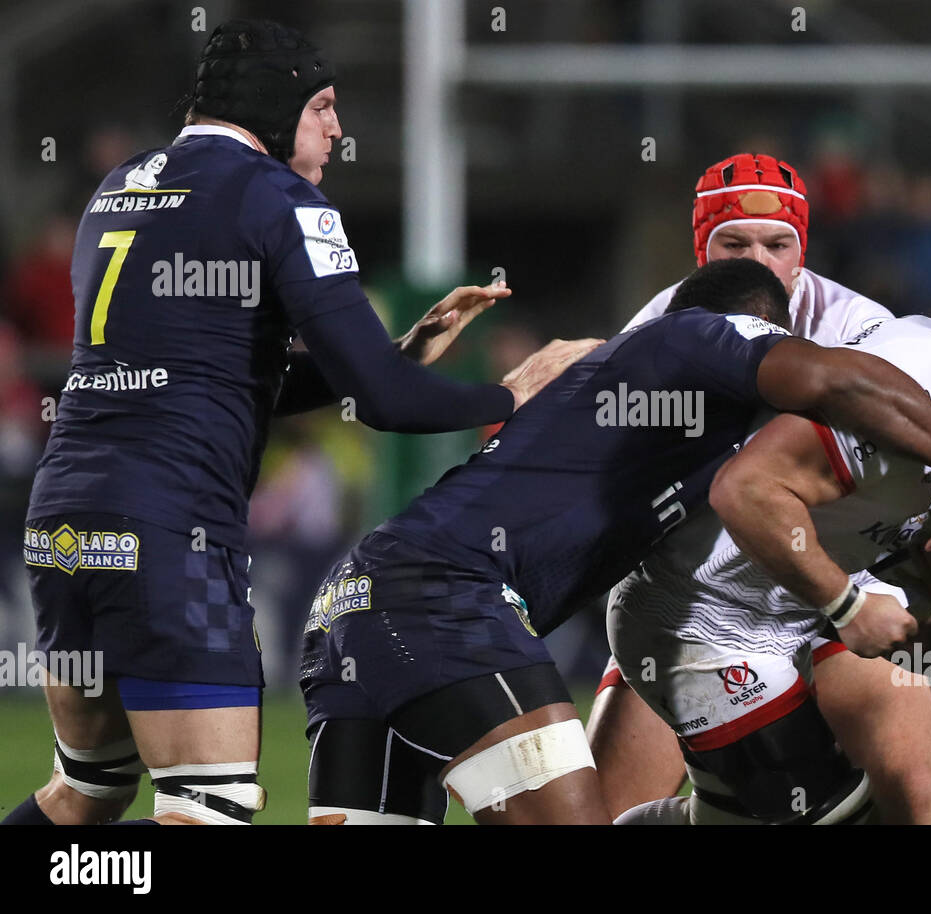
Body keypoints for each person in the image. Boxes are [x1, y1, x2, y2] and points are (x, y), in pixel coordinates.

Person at [4, 18, 588, 827]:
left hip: (64, 520)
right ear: (276, 112)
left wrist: (396, 352)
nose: (337, 129)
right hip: (170, 530)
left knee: (88, 791)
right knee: (210, 805)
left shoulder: (122, 186)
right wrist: (511, 399)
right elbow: (384, 404)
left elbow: (229, 377)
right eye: (323, 107)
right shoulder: (278, 197)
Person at [300, 257, 931, 825]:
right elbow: (831, 378)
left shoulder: (663, 417)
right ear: (758, 324)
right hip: (447, 596)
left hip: (351, 603)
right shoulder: (701, 334)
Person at [610, 237, 931, 824]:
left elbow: (859, 523)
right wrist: (847, 607)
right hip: (701, 616)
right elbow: (743, 489)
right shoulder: (906, 378)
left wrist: (930, 600)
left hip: (776, 616)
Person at [589, 152, 931, 823]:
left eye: (778, 244)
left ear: (802, 251)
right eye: (735, 243)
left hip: (825, 588)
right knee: (601, 814)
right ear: (703, 250)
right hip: (693, 602)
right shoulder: (650, 336)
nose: (759, 261)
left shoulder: (862, 332)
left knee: (908, 794)